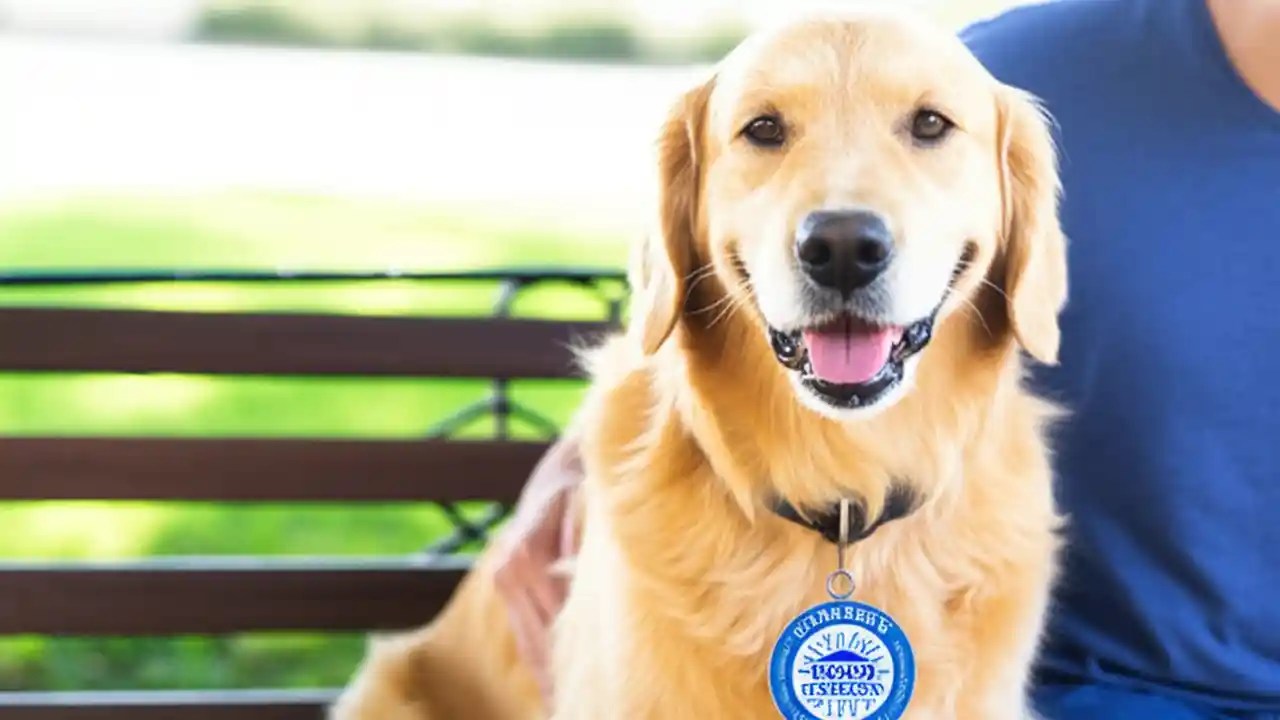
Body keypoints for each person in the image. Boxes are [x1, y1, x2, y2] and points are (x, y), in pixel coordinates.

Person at [490, 0, 1280, 717]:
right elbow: (690, 289)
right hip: (1108, 695)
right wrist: (581, 455)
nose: (846, 226)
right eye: (765, 130)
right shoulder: (1038, 61)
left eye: (927, 130)